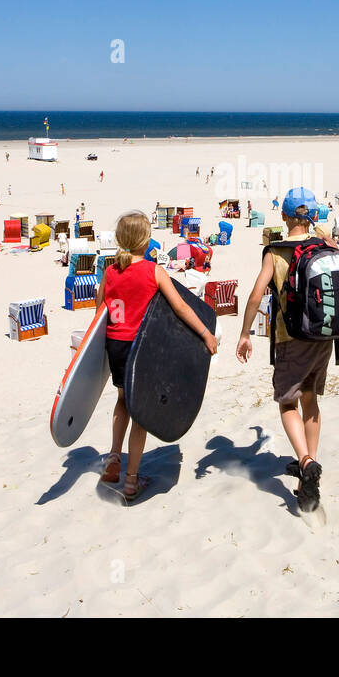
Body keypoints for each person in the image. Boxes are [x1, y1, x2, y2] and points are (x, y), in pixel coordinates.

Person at [99, 210, 216, 502]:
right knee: (143, 413)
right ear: (145, 240)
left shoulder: (110, 271)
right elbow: (180, 308)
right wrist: (205, 333)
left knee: (123, 401)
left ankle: (114, 458)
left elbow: (101, 311)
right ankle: (131, 481)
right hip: (144, 350)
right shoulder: (153, 271)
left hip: (116, 345)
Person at [235, 188, 335, 512]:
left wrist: (245, 333)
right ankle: (310, 471)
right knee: (311, 399)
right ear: (312, 215)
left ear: (284, 216)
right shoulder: (325, 244)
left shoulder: (275, 252)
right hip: (323, 336)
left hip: (291, 338)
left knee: (287, 402)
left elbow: (255, 295)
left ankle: (306, 463)